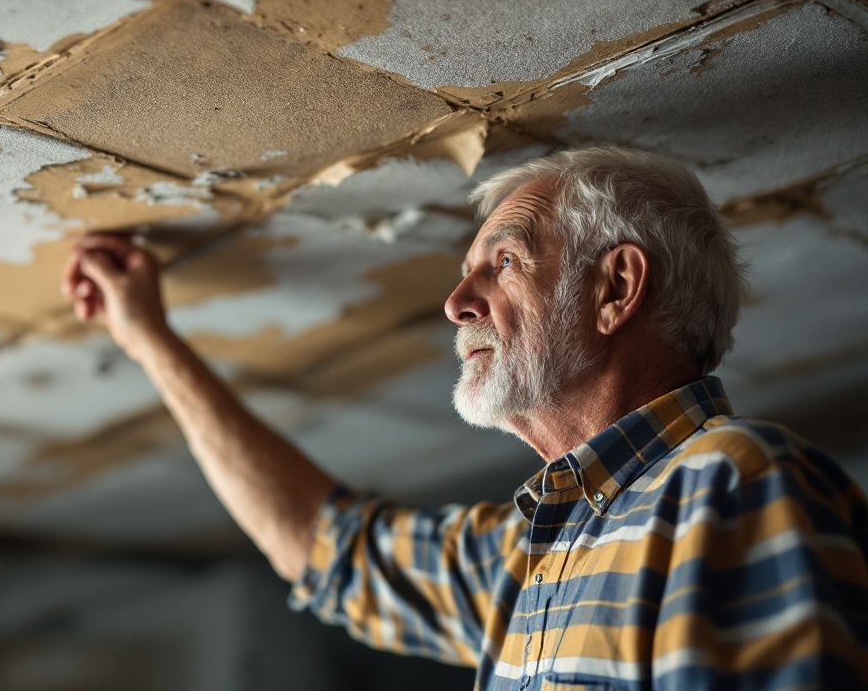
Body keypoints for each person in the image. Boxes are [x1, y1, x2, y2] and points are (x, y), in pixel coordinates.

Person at [60, 146, 868, 689]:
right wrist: (150, 340)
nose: (455, 304)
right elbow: (327, 547)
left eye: (505, 262)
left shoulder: (734, 484)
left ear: (616, 288)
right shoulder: (531, 556)